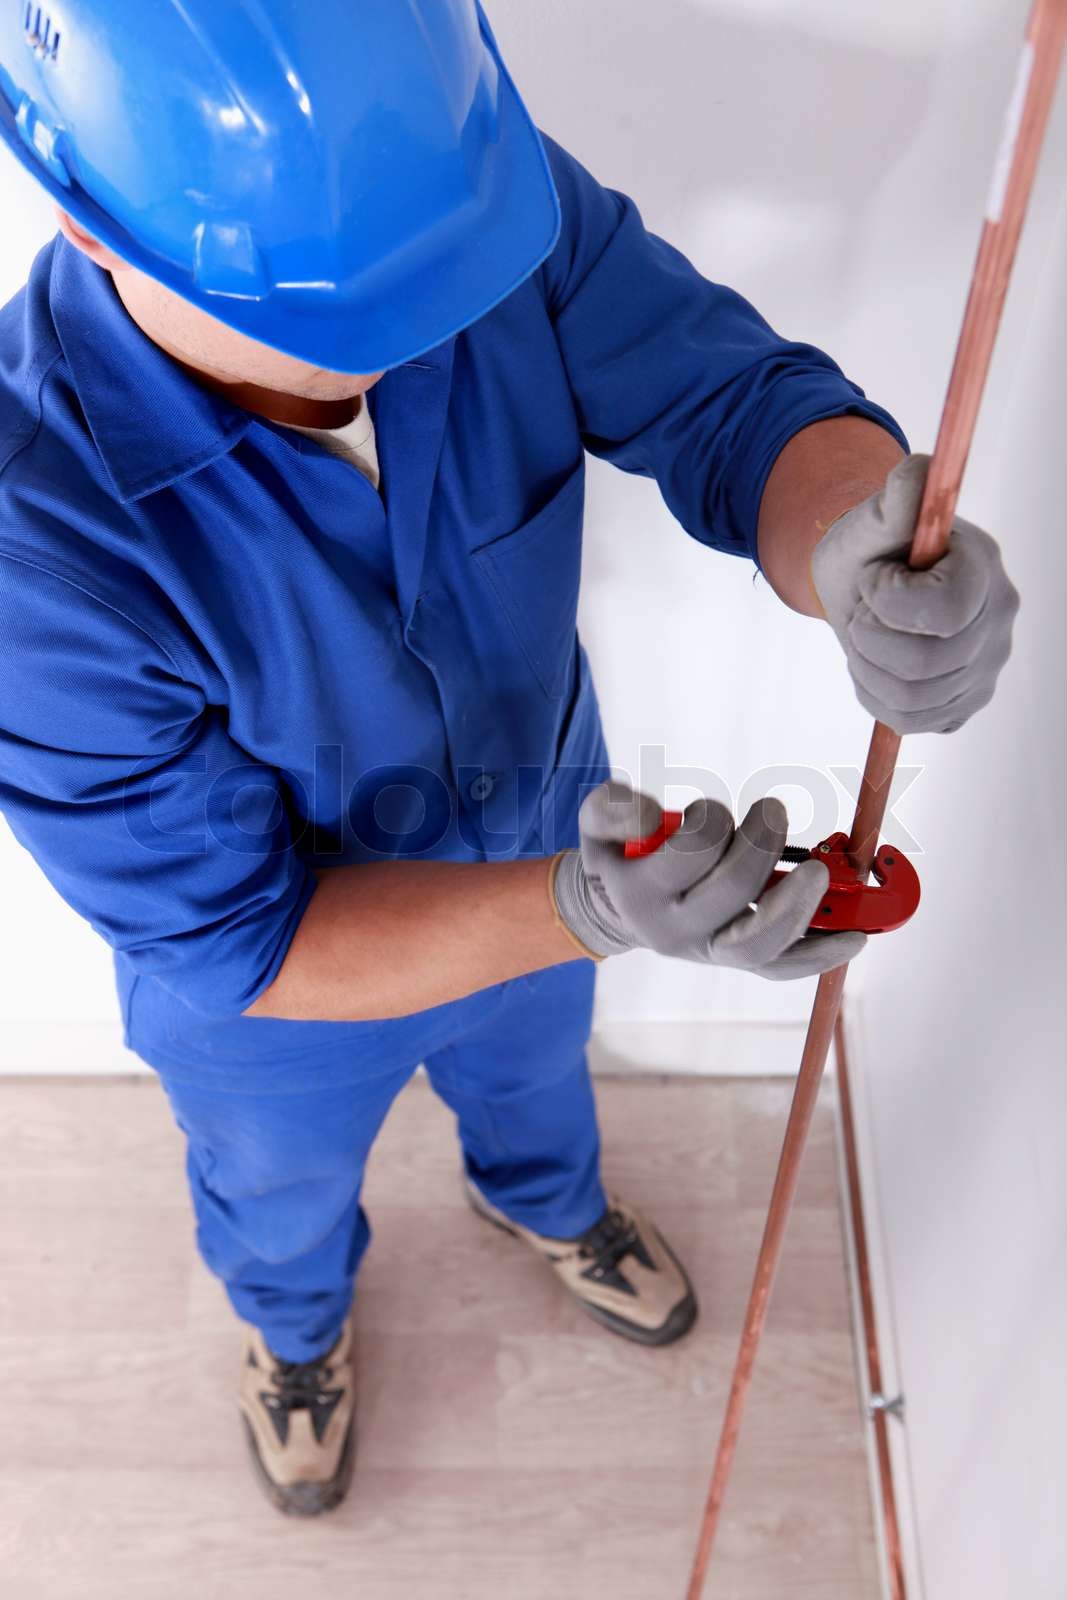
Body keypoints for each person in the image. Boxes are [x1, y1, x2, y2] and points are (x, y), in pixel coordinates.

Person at [0, 1, 1017, 1516]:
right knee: (276, 1195)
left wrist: (857, 536)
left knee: (542, 1075)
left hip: (554, 836)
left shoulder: (462, 214)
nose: (416, 338)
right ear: (99, 234)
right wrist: (586, 907)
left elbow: (731, 404)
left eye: (428, 289)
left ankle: (545, 1204)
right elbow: (244, 933)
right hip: (284, 1004)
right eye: (326, 313)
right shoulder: (37, 547)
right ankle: (295, 1334)